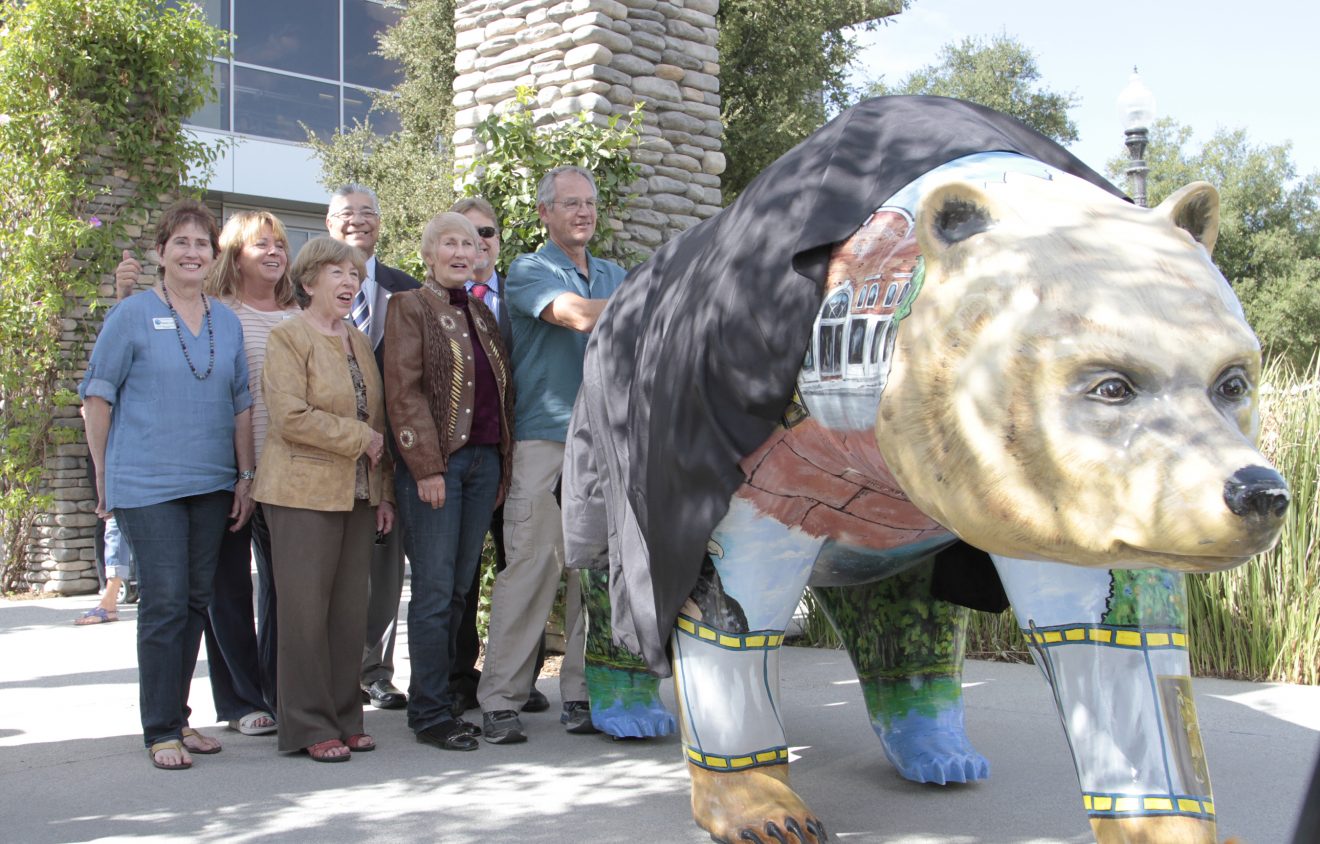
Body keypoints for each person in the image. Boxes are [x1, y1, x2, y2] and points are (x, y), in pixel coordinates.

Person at [81, 199, 255, 770]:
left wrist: (245, 475)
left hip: (210, 480)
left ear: (213, 255)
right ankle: (160, 728)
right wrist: (104, 472)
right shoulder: (130, 315)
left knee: (195, 601)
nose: (191, 252)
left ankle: (179, 718)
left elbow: (240, 406)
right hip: (145, 482)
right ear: (161, 252)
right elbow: (97, 397)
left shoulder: (226, 321)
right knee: (164, 601)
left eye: (201, 243)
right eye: (180, 242)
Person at [478, 166, 627, 744]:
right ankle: (500, 700)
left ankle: (584, 694)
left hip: (610, 440)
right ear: (545, 213)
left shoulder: (613, 272)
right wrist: (649, 302)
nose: (584, 212)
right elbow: (578, 316)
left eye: (590, 203)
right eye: (570, 204)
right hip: (547, 437)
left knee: (594, 572)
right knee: (534, 565)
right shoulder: (529, 269)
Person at [254, 236, 395, 762]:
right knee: (305, 614)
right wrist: (359, 439)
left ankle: (345, 717)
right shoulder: (288, 337)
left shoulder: (357, 340)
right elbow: (289, 417)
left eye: (354, 275)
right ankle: (309, 726)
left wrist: (382, 494)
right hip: (300, 492)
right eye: (336, 273)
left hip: (357, 496)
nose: (348, 282)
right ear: (308, 282)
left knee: (347, 614)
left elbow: (377, 420)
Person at [384, 212, 514, 751]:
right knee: (435, 593)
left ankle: (443, 696)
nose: (462, 251)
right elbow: (404, 393)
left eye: (470, 242)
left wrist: (502, 464)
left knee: (458, 591)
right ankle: (430, 713)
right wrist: (428, 466)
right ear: (429, 255)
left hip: (484, 465)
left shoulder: (481, 312)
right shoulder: (408, 307)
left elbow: (501, 395)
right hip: (441, 466)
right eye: (449, 243)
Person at [446, 196, 549, 717]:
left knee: (521, 565)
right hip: (461, 460)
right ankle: (460, 678)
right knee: (459, 575)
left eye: (486, 232)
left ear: (499, 239)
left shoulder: (524, 293)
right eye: (465, 234)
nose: (477, 243)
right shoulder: (434, 301)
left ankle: (519, 679)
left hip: (520, 453)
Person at [325, 184, 419, 711]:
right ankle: (331, 672)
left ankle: (376, 671)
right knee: (330, 568)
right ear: (328, 224)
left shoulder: (406, 288)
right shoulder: (304, 289)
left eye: (367, 213)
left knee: (385, 571)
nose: (357, 221)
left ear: (380, 223)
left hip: (393, 454)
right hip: (327, 452)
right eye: (346, 214)